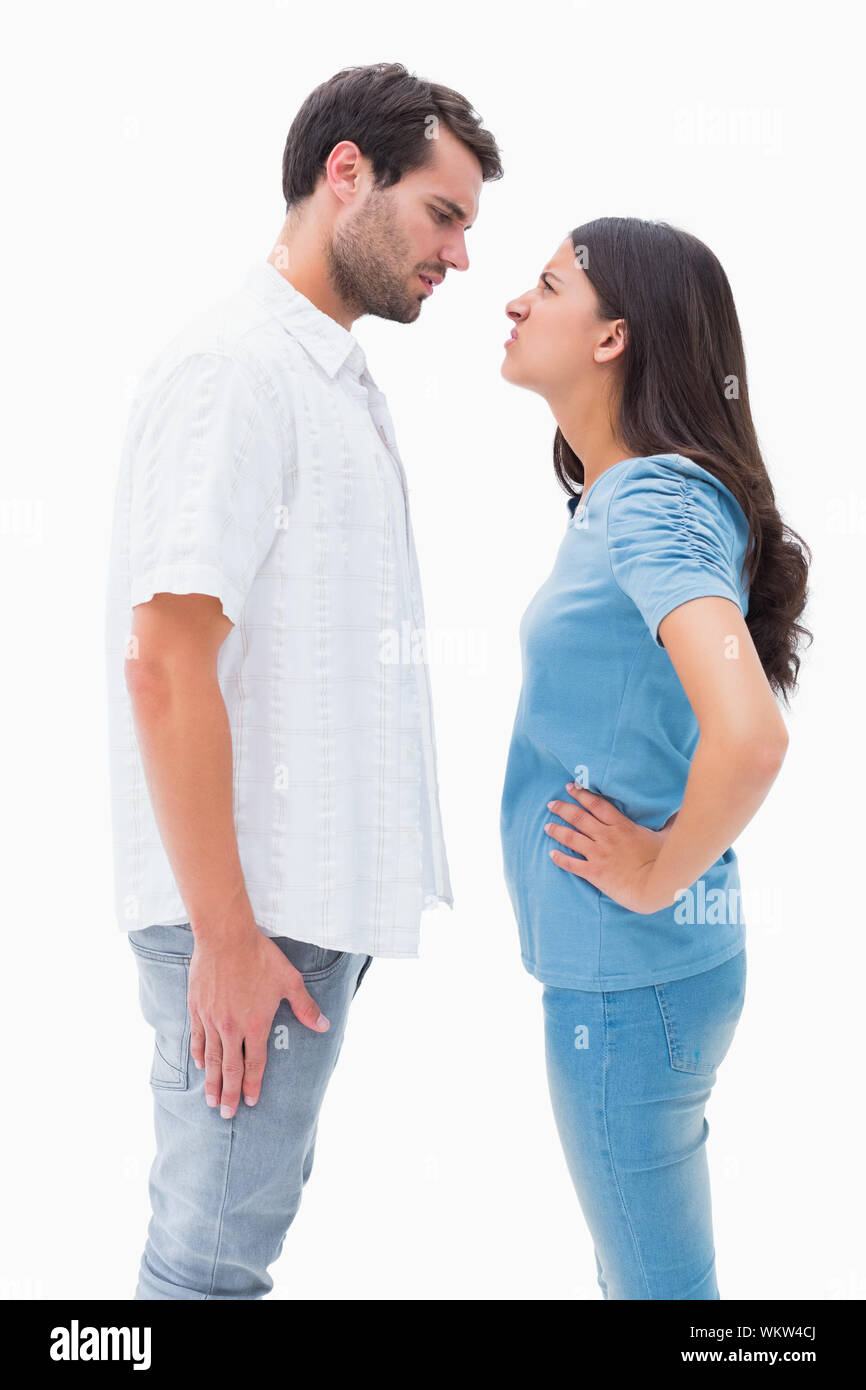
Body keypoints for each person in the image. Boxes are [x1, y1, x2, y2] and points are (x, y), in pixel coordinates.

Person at [106, 62, 502, 1300]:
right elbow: (166, 666)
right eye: (441, 214)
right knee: (205, 1270)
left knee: (226, 1255)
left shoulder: (321, 371)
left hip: (289, 923)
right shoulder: (238, 369)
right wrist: (225, 935)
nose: (459, 255)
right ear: (347, 175)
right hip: (248, 928)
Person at [499, 217, 811, 1299]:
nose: (513, 301)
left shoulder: (650, 499)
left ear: (611, 338)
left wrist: (651, 869)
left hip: (627, 984)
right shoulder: (632, 494)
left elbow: (751, 734)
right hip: (645, 975)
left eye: (543, 284)